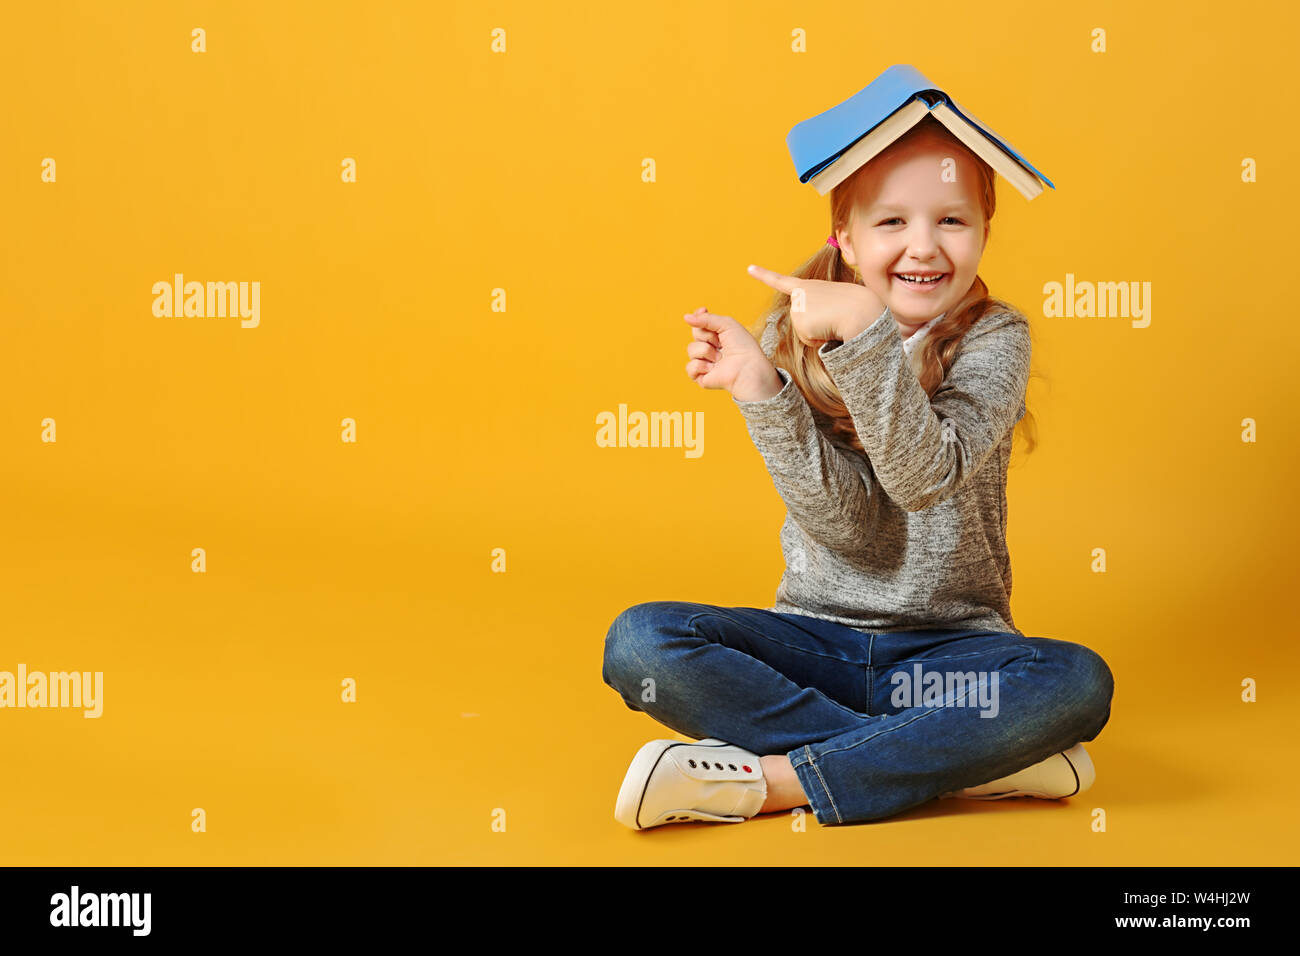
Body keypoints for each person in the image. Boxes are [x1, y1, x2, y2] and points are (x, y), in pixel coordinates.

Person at [601, 113, 1114, 829]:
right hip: (811, 644)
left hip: (951, 656)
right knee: (640, 642)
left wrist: (869, 336)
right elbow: (851, 531)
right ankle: (956, 757)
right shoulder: (793, 331)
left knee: (1076, 683)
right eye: (892, 221)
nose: (924, 245)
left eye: (953, 220)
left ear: (985, 233)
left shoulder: (997, 338)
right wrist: (761, 386)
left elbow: (925, 478)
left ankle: (774, 782)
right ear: (845, 236)